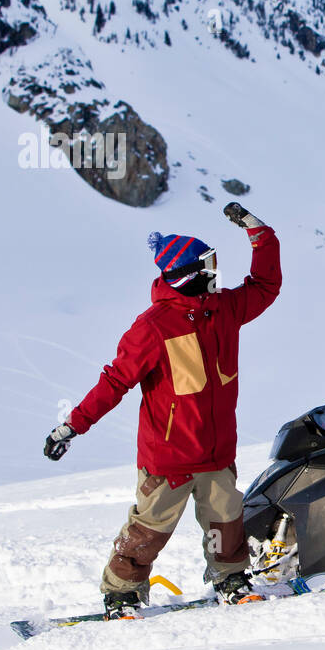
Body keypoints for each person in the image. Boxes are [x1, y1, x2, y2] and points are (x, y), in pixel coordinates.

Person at [43, 203, 281, 617]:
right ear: (190, 273)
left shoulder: (222, 310)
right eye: (208, 265)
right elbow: (114, 381)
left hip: (217, 450)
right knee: (149, 528)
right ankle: (122, 591)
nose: (215, 272)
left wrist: (260, 234)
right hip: (169, 457)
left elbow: (265, 285)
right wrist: (72, 426)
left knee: (225, 522)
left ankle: (230, 578)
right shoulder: (152, 328)